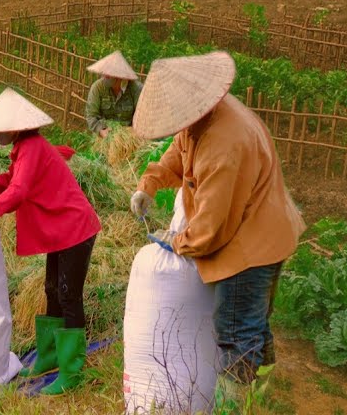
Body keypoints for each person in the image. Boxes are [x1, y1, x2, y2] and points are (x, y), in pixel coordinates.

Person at [127, 52, 305, 403]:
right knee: (253, 323)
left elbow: (211, 229)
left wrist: (177, 241)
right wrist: (148, 183)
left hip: (252, 245)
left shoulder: (225, 143)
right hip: (256, 226)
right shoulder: (201, 120)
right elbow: (177, 154)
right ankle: (261, 398)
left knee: (238, 330)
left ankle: (234, 406)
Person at [0, 88, 101, 395]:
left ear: (13, 128)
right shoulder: (23, 148)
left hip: (75, 228)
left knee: (68, 294)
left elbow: (19, 191)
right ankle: (48, 357)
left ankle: (72, 373)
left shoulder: (32, 146)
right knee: (51, 289)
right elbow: (12, 178)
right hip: (61, 230)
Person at [84, 50, 142, 138]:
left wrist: (131, 133)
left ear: (119, 76)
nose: (104, 78)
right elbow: (91, 115)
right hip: (104, 135)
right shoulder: (98, 87)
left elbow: (143, 118)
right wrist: (100, 131)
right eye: (103, 74)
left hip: (130, 137)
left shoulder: (136, 89)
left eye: (108, 76)